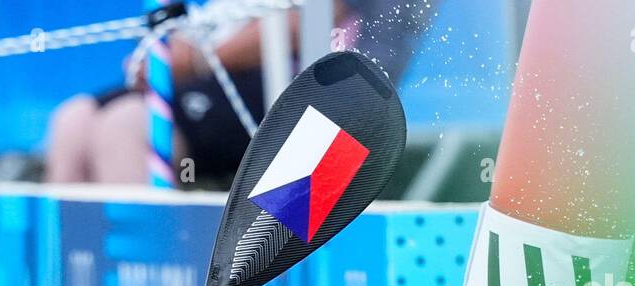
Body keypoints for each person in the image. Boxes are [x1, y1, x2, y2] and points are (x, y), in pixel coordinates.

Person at [44, 1, 436, 186]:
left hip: (307, 92)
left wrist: (196, 57)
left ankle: (139, 278)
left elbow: (317, 15)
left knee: (123, 128)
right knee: (72, 119)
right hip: (226, 67)